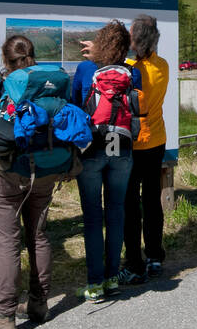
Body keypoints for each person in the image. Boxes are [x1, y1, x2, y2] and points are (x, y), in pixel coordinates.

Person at [0, 35, 60, 329]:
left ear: (5, 59)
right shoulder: (48, 81)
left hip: (6, 173)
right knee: (38, 236)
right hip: (44, 171)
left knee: (8, 243)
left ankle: (5, 316)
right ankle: (38, 304)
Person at [71, 21, 137, 302]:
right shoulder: (132, 72)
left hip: (93, 148)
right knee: (116, 212)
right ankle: (112, 278)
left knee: (93, 217)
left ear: (99, 44)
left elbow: (74, 103)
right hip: (121, 148)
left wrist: (94, 58)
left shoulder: (86, 69)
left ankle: (95, 283)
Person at [121, 15, 170, 284]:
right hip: (156, 140)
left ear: (134, 39)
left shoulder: (127, 67)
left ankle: (134, 263)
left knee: (130, 203)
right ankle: (154, 257)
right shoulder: (162, 66)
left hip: (131, 142)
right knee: (152, 199)